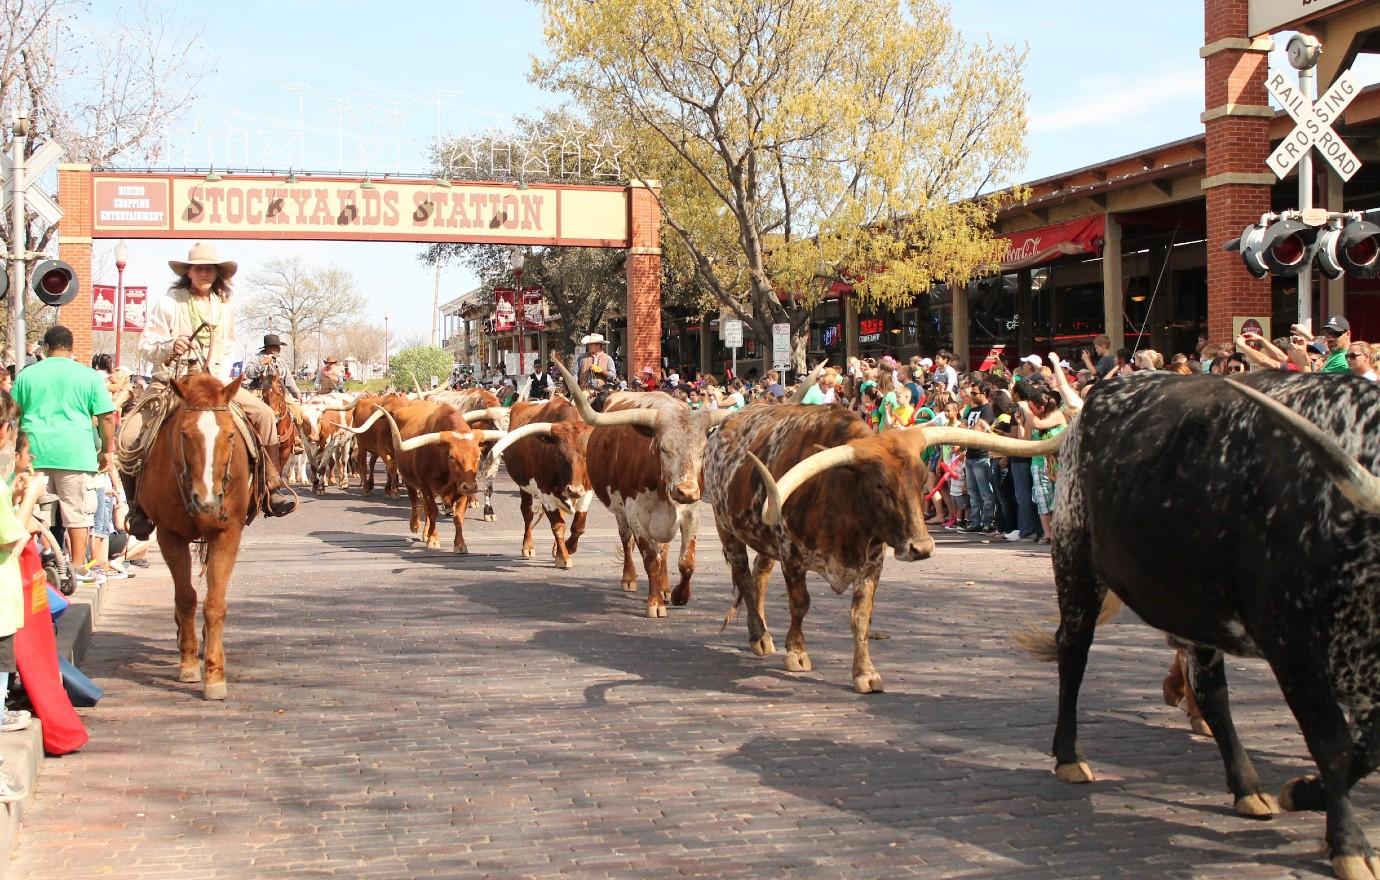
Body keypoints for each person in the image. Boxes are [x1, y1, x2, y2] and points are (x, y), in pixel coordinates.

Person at [117, 242, 296, 539]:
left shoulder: (224, 307)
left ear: (217, 274)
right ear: (187, 272)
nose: (204, 273)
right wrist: (169, 345)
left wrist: (218, 379)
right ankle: (137, 508)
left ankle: (271, 486)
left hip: (215, 383)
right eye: (198, 268)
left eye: (209, 269)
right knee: (129, 432)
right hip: (174, 382)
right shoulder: (168, 303)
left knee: (264, 414)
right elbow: (146, 346)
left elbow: (228, 346)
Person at [12, 326, 116, 585]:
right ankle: (77, 567)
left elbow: (13, 414)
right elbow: (106, 417)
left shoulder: (27, 376)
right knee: (77, 512)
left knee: (35, 512)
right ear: (71, 348)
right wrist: (107, 450)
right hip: (75, 453)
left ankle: (37, 562)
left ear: (46, 347)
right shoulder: (88, 376)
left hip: (34, 452)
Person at [242, 334, 303, 403]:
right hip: (259, 392)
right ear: (268, 348)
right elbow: (248, 372)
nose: (279, 349)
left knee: (297, 410)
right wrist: (262, 363)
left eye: (279, 346)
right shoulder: (257, 358)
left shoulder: (281, 361)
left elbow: (289, 379)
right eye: (276, 346)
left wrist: (296, 393)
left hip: (279, 393)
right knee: (254, 411)